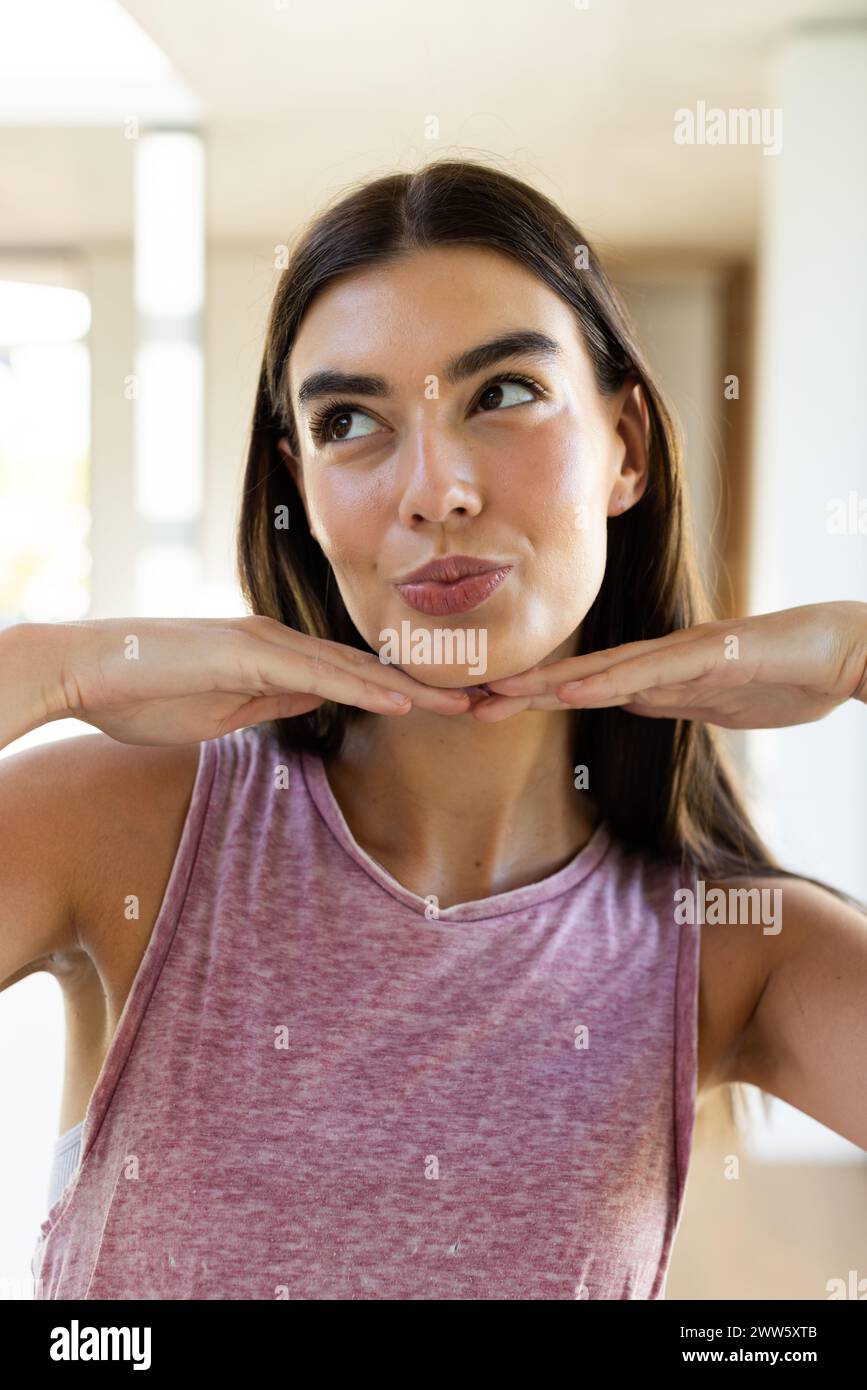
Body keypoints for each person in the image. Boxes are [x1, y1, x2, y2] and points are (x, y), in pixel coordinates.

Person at [2, 159, 866, 1301]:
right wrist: (42, 667)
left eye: (501, 393)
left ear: (628, 446)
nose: (436, 487)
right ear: (298, 487)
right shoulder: (123, 824)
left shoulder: (734, 948)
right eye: (351, 422)